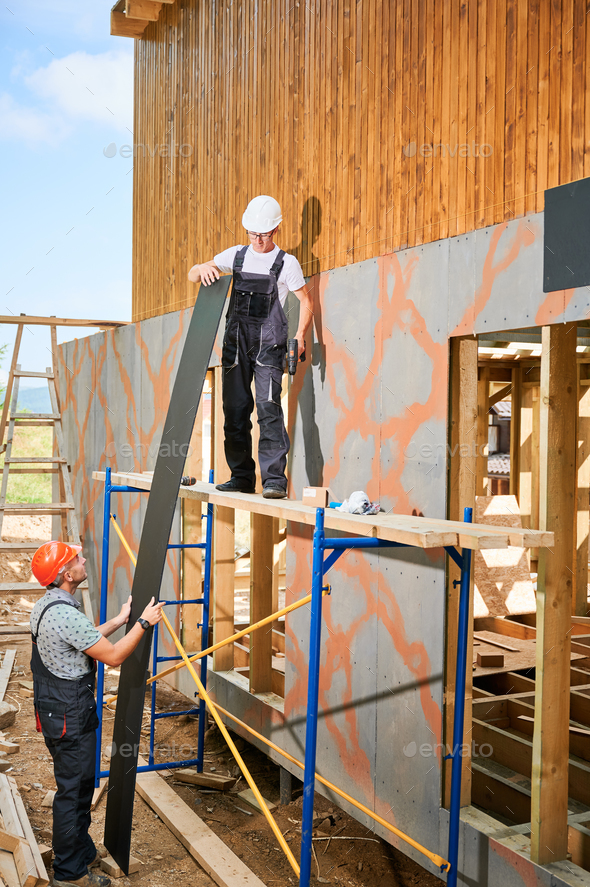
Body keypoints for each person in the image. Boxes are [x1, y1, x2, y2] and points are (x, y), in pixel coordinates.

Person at [29, 541, 164, 887]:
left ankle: (81, 849)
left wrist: (120, 620)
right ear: (65, 573)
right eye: (76, 558)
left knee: (81, 785)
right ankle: (71, 874)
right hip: (69, 715)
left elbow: (85, 639)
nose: (83, 558)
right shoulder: (65, 613)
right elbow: (114, 656)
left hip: (57, 711)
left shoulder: (48, 606)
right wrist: (143, 623)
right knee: (73, 792)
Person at [188, 195, 313, 498]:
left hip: (269, 347)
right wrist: (201, 267)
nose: (257, 239)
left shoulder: (287, 264)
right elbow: (194, 273)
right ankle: (242, 477)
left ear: (276, 230)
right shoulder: (237, 255)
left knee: (268, 409)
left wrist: (299, 336)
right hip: (235, 346)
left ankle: (274, 481)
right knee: (234, 410)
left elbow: (306, 301)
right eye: (253, 233)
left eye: (264, 233)